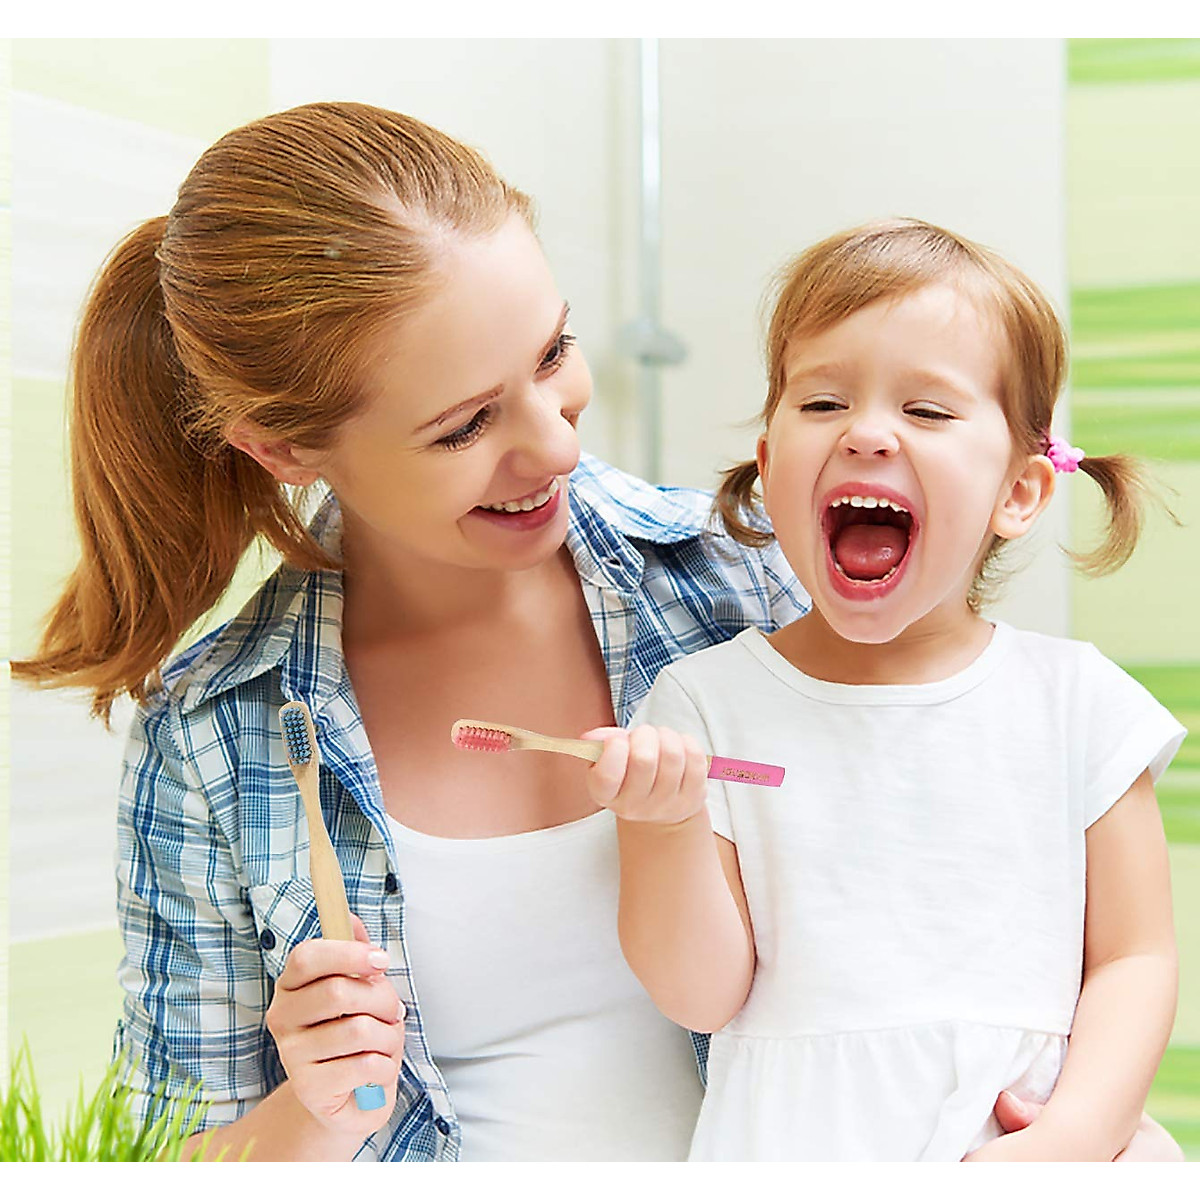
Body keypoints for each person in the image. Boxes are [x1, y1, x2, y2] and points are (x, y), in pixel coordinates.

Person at [11, 107, 1179, 1162]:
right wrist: (310, 1109)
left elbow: (1000, 916)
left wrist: (1085, 1129)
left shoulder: (757, 583)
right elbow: (166, 1167)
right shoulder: (221, 731)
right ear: (284, 448)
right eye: (467, 425)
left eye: (555, 355)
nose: (558, 445)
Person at [580, 219, 1187, 1161]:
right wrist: (662, 825)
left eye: (930, 412)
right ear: (773, 465)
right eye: (822, 402)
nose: (866, 432)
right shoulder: (705, 704)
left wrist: (1076, 1137)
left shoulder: (1077, 705)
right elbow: (702, 996)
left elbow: (1134, 957)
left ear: (1018, 493)